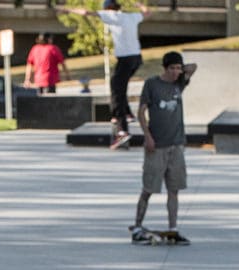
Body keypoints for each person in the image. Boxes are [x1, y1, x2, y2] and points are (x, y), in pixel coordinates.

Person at [131, 51, 196, 244]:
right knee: (149, 188)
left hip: (176, 145)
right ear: (165, 68)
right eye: (173, 68)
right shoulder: (152, 84)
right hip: (156, 145)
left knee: (174, 189)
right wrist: (147, 136)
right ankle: (137, 224)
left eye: (178, 68)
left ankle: (173, 228)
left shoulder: (179, 83)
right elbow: (141, 111)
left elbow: (194, 68)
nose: (176, 72)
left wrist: (181, 69)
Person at [63, 1, 148, 148]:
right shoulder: (132, 16)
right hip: (137, 58)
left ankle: (122, 130)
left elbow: (86, 13)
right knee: (119, 86)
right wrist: (139, 4)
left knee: (117, 91)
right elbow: (147, 13)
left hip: (126, 59)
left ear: (108, 8)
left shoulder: (111, 15)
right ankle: (127, 113)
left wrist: (67, 10)